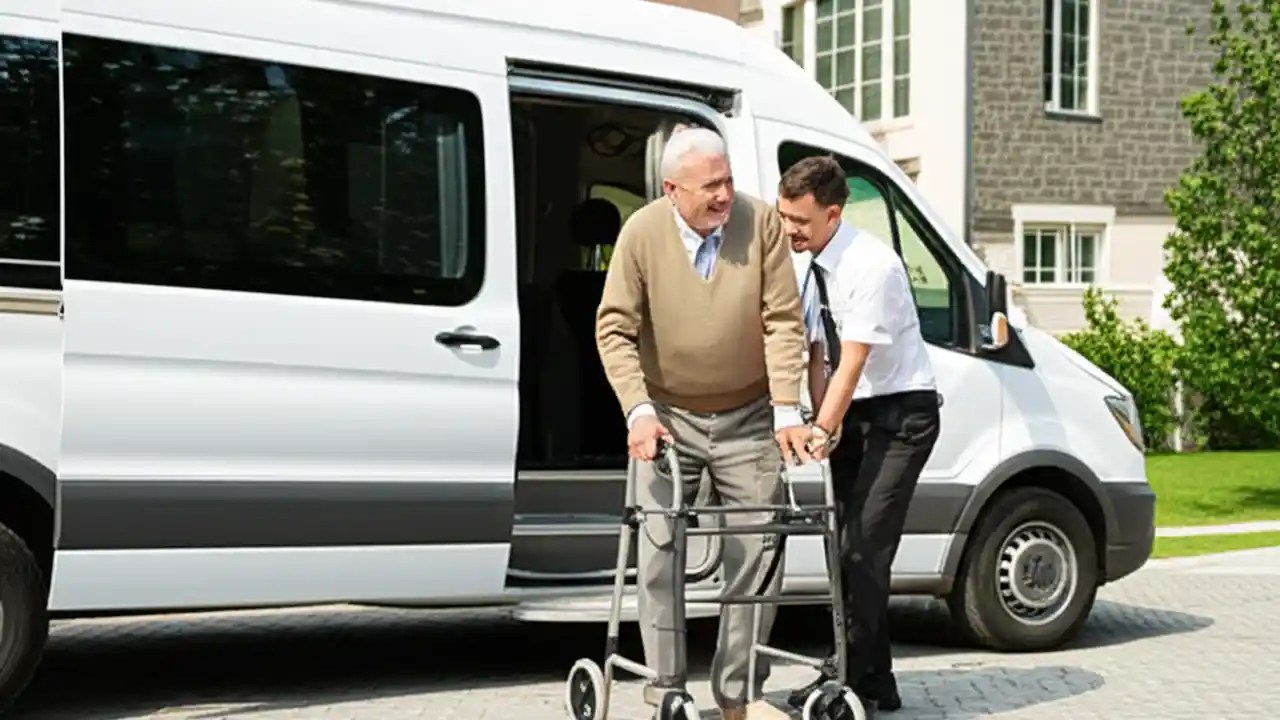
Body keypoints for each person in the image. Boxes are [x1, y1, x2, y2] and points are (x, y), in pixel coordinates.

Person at [595, 126, 809, 720]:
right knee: (659, 552)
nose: (724, 195)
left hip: (749, 414)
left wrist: (786, 408)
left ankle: (741, 696)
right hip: (667, 416)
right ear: (672, 190)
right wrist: (638, 410)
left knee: (759, 551)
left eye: (729, 181)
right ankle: (666, 690)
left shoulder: (760, 223)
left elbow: (783, 320)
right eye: (710, 185)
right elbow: (614, 329)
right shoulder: (641, 233)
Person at [774, 155, 942, 717]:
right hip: (857, 412)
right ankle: (866, 677)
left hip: (902, 417)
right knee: (843, 550)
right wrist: (820, 417)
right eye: (784, 217)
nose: (789, 230)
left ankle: (854, 682)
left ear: (833, 214)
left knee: (864, 549)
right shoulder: (812, 264)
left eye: (799, 220)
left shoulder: (873, 265)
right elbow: (818, 351)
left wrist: (823, 426)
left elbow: (854, 358)